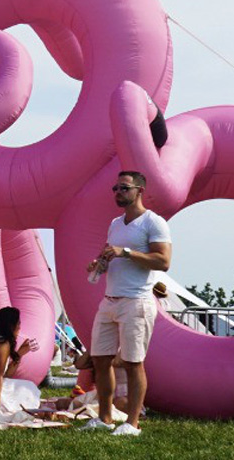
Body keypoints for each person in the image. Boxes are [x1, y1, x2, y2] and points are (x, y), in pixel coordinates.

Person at [82, 170, 171, 436]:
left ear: (139, 191)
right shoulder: (115, 224)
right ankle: (105, 418)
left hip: (136, 301)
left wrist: (127, 252)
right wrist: (101, 263)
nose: (118, 192)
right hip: (110, 299)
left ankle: (132, 424)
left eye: (123, 188)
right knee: (100, 360)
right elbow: (112, 254)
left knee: (133, 363)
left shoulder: (153, 223)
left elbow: (163, 261)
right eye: (116, 188)